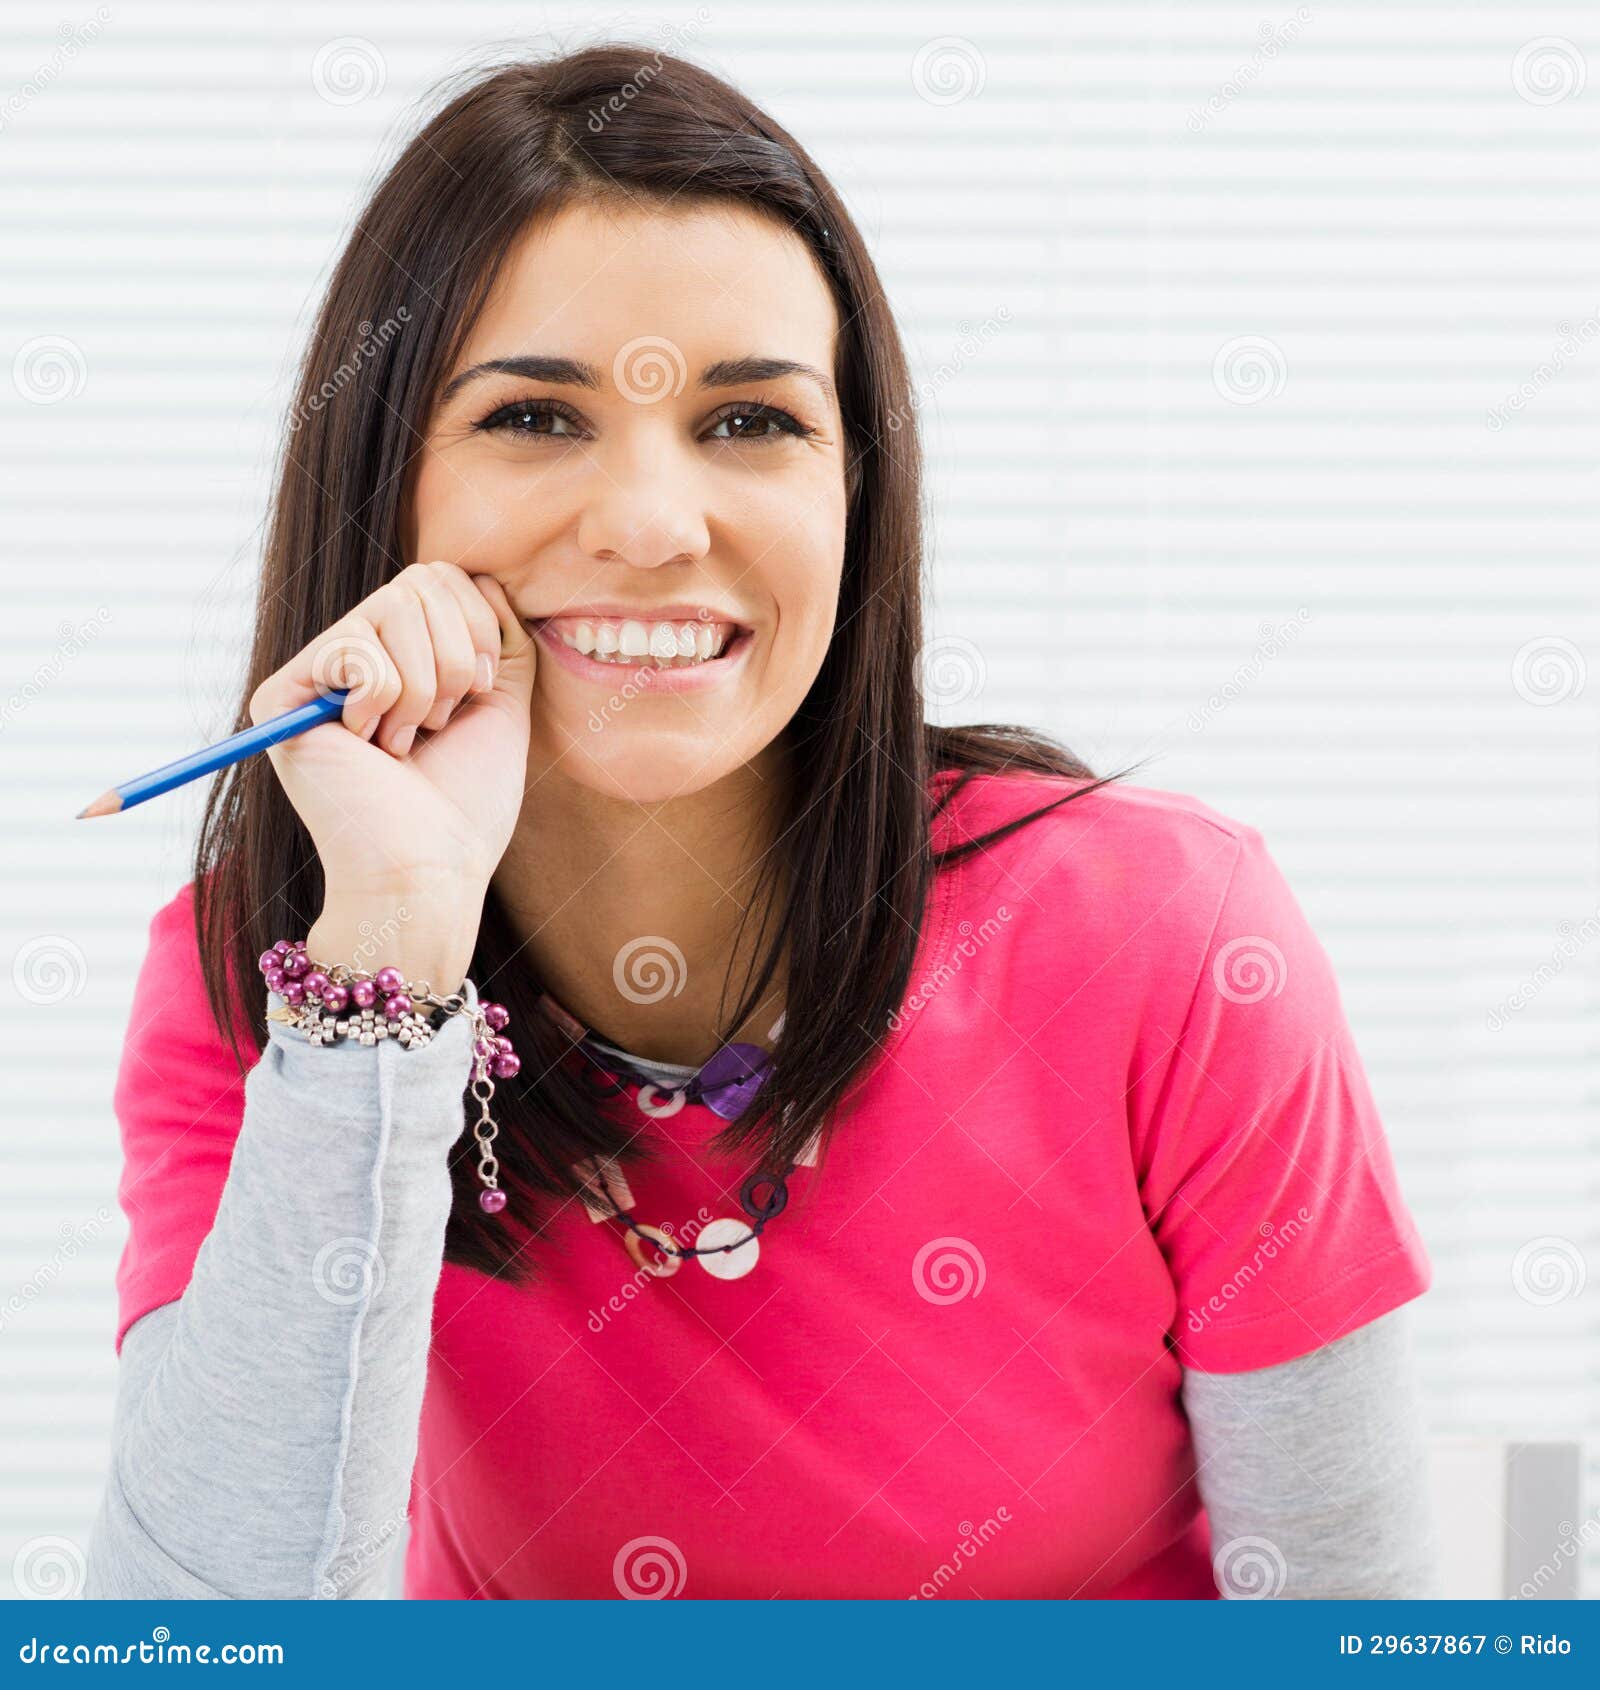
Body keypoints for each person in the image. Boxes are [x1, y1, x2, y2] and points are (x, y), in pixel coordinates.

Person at [82, 44, 1434, 1601]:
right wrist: (388, 957)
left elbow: (1360, 1631)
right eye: (533, 417)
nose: (655, 523)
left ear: (860, 493)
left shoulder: (1170, 942)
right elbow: (211, 1630)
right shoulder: (267, 979)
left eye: (749, 423)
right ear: (383, 488)